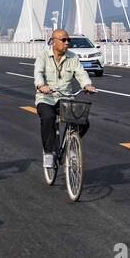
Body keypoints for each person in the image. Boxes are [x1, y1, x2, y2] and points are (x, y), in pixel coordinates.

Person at [33, 29, 95, 171]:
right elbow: (38, 73)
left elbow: (80, 72)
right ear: (53, 41)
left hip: (65, 97)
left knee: (83, 122)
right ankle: (49, 152)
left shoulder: (72, 57)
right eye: (63, 40)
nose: (67, 43)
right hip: (46, 98)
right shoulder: (42, 56)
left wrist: (87, 85)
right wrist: (41, 85)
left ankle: (70, 147)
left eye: (68, 40)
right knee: (48, 118)